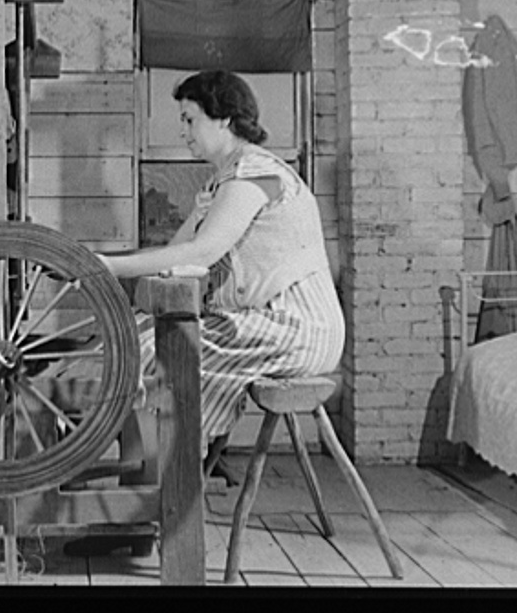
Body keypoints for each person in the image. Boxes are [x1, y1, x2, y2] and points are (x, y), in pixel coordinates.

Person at [64, 69, 345, 557]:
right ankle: (141, 509)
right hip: (266, 322)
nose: (184, 131)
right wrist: (107, 271)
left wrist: (103, 266)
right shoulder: (222, 183)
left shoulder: (257, 174)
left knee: (156, 354)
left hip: (297, 326)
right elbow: (176, 256)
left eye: (191, 119)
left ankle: (155, 511)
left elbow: (198, 253)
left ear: (226, 118)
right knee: (138, 340)